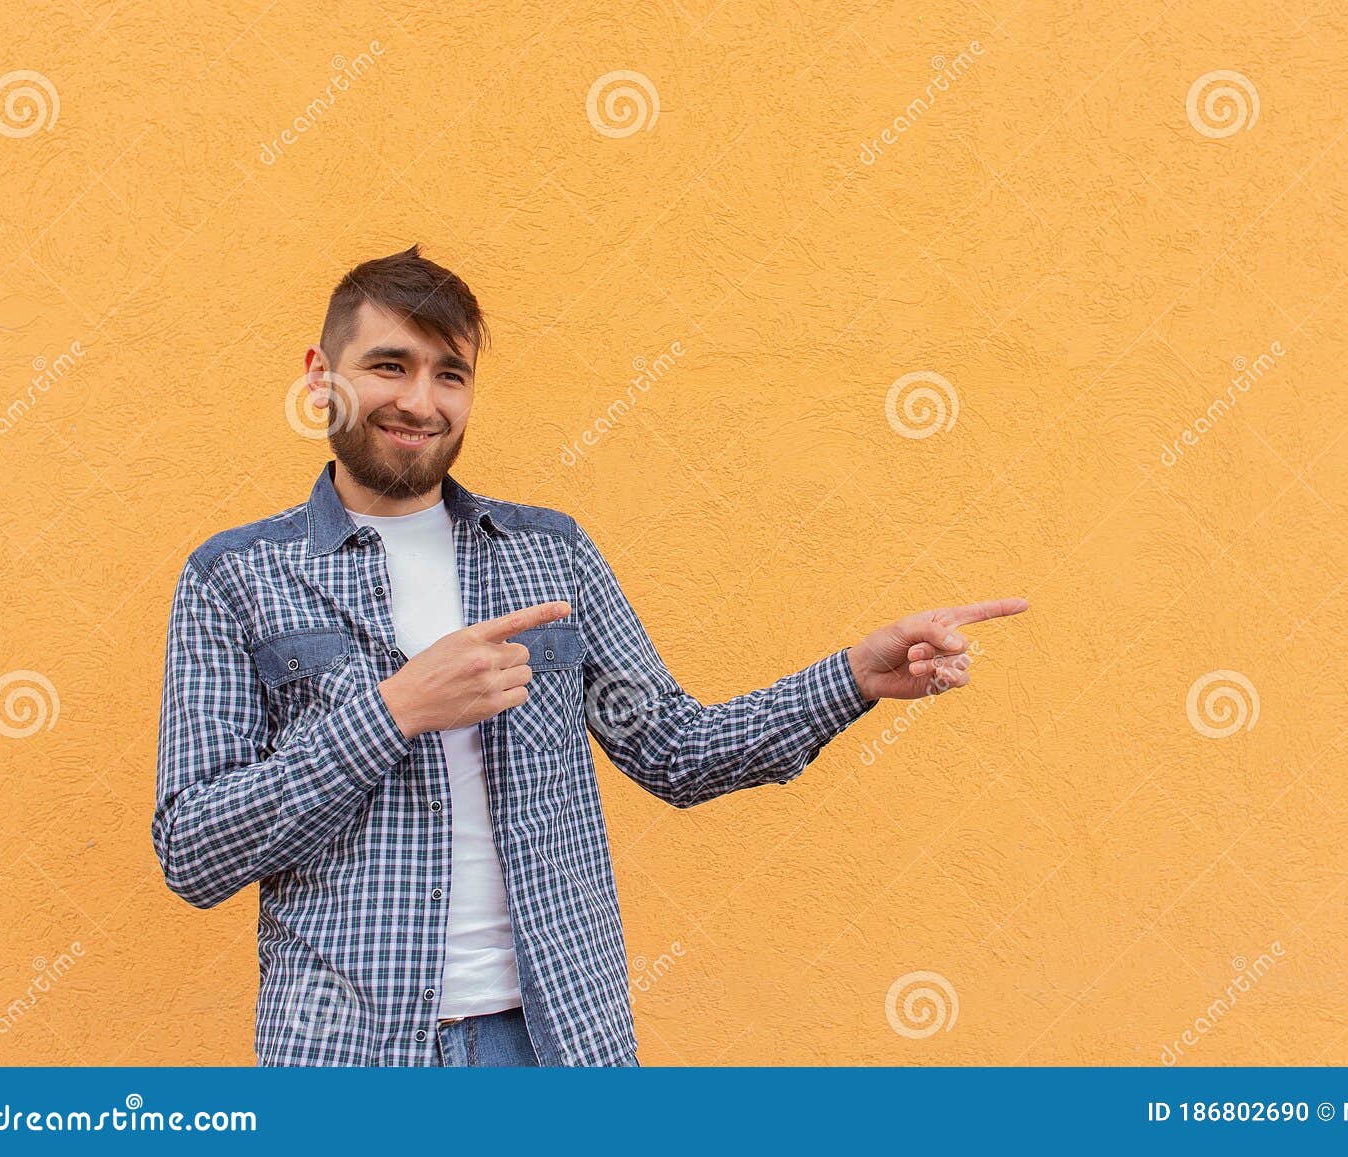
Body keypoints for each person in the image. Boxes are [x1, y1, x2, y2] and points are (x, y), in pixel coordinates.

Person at [152, 244, 1028, 1066]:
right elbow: (193, 852)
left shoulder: (550, 555)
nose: (421, 400)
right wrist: (392, 713)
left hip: (552, 1045)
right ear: (320, 378)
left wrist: (849, 678)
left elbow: (677, 751)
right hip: (348, 1058)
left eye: (449, 374)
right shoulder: (234, 578)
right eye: (390, 364)